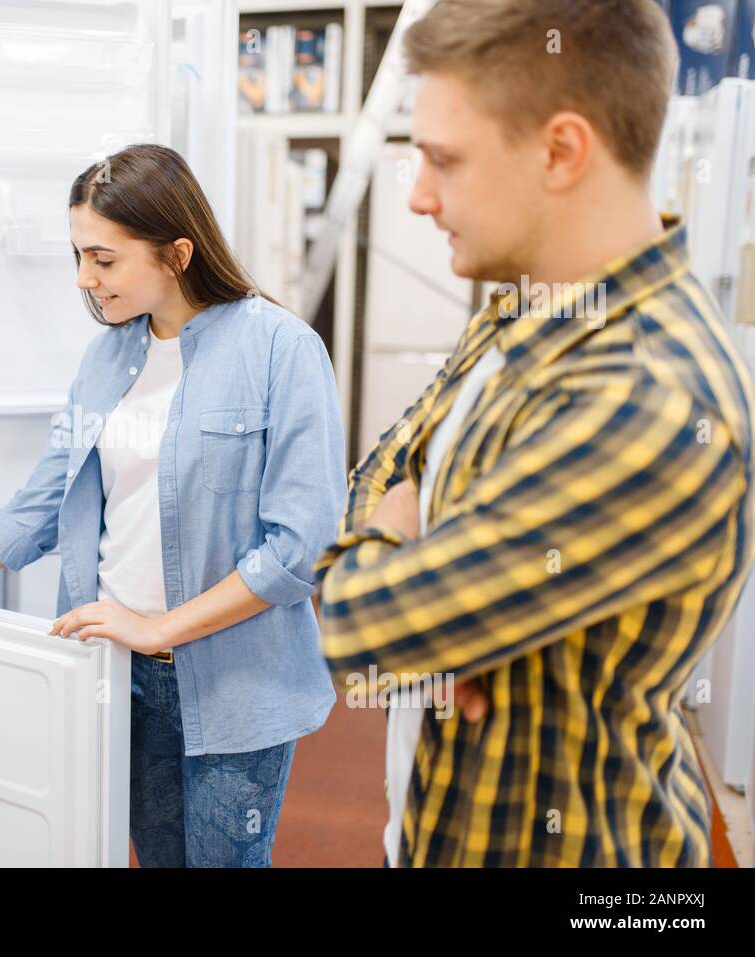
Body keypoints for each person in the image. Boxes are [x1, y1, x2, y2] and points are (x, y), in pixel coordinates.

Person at [0, 144, 348, 867]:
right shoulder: (108, 360)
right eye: (77, 256)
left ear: (177, 252)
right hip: (116, 675)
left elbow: (297, 549)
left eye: (103, 258)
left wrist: (160, 625)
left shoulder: (282, 350)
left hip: (235, 684)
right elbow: (35, 509)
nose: (83, 280)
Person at [314, 0, 755, 867]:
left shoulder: (648, 396)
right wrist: (441, 604)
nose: (418, 194)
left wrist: (399, 568)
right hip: (443, 820)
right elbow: (386, 463)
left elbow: (360, 632)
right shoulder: (528, 300)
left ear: (561, 151)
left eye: (444, 159)